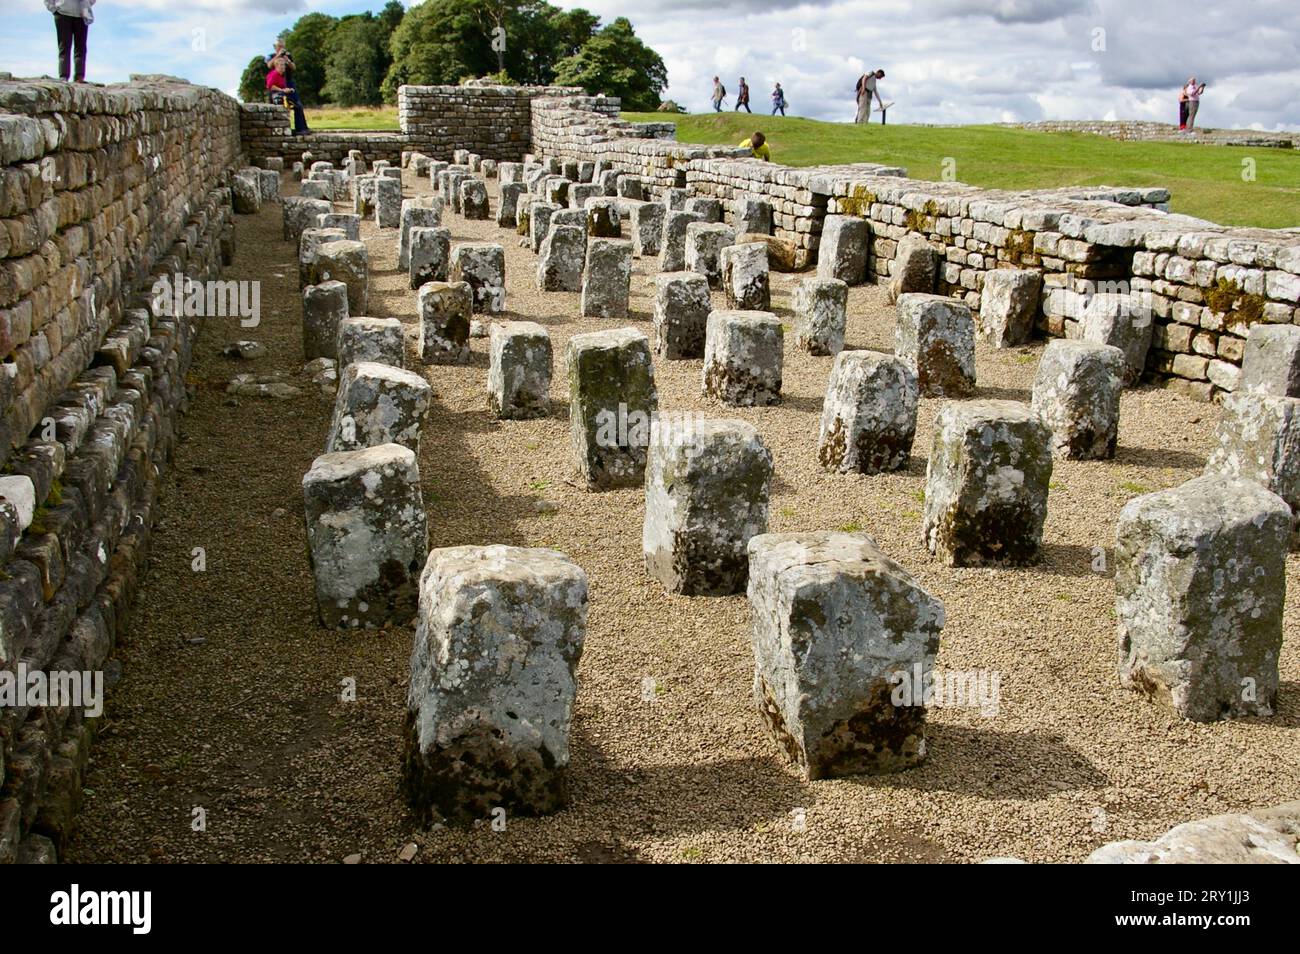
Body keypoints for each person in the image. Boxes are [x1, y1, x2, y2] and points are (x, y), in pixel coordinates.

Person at [46, 0, 95, 83]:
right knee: (64, 46)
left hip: (81, 15)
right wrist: (54, 9)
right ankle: (63, 76)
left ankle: (79, 77)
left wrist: (87, 4)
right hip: (62, 14)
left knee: (81, 47)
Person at [266, 56, 311, 136]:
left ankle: (302, 128)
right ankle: (300, 129)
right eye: (281, 65)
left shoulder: (281, 75)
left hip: (281, 94)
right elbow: (270, 86)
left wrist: (288, 89)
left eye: (284, 65)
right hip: (276, 96)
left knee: (298, 106)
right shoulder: (274, 74)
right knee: (297, 106)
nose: (283, 67)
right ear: (276, 66)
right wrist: (282, 90)